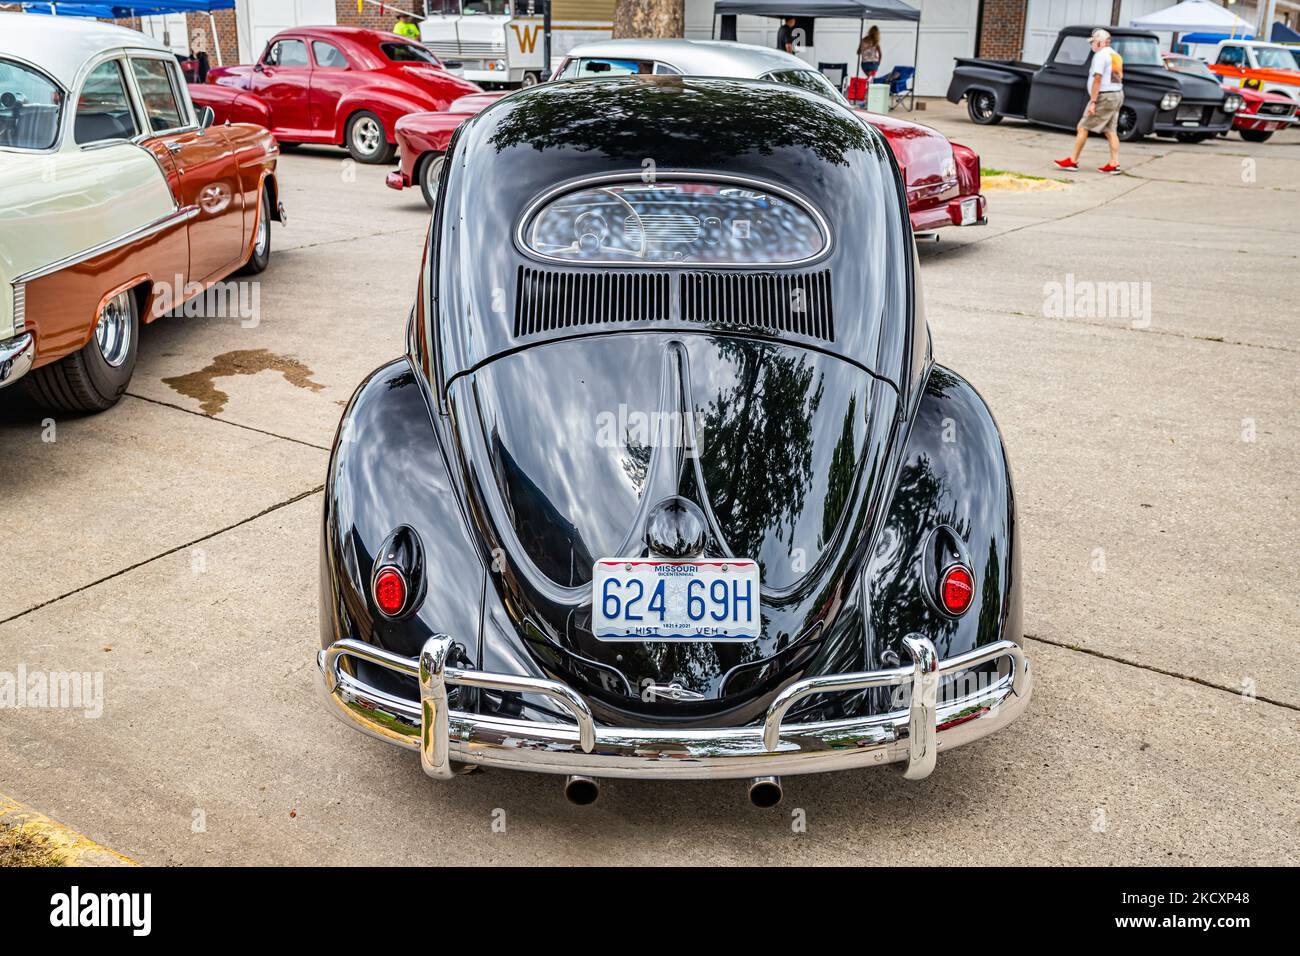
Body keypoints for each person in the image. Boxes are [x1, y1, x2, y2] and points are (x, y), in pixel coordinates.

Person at [1055, 28, 1125, 174]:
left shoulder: (1100, 56)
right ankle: (1114, 164)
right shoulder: (1115, 55)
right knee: (1111, 130)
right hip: (1117, 94)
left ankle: (1072, 161)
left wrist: (1093, 101)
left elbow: (1097, 79)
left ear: (1099, 42)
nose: (1092, 45)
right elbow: (1116, 78)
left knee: (1083, 127)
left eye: (1093, 42)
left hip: (1103, 97)